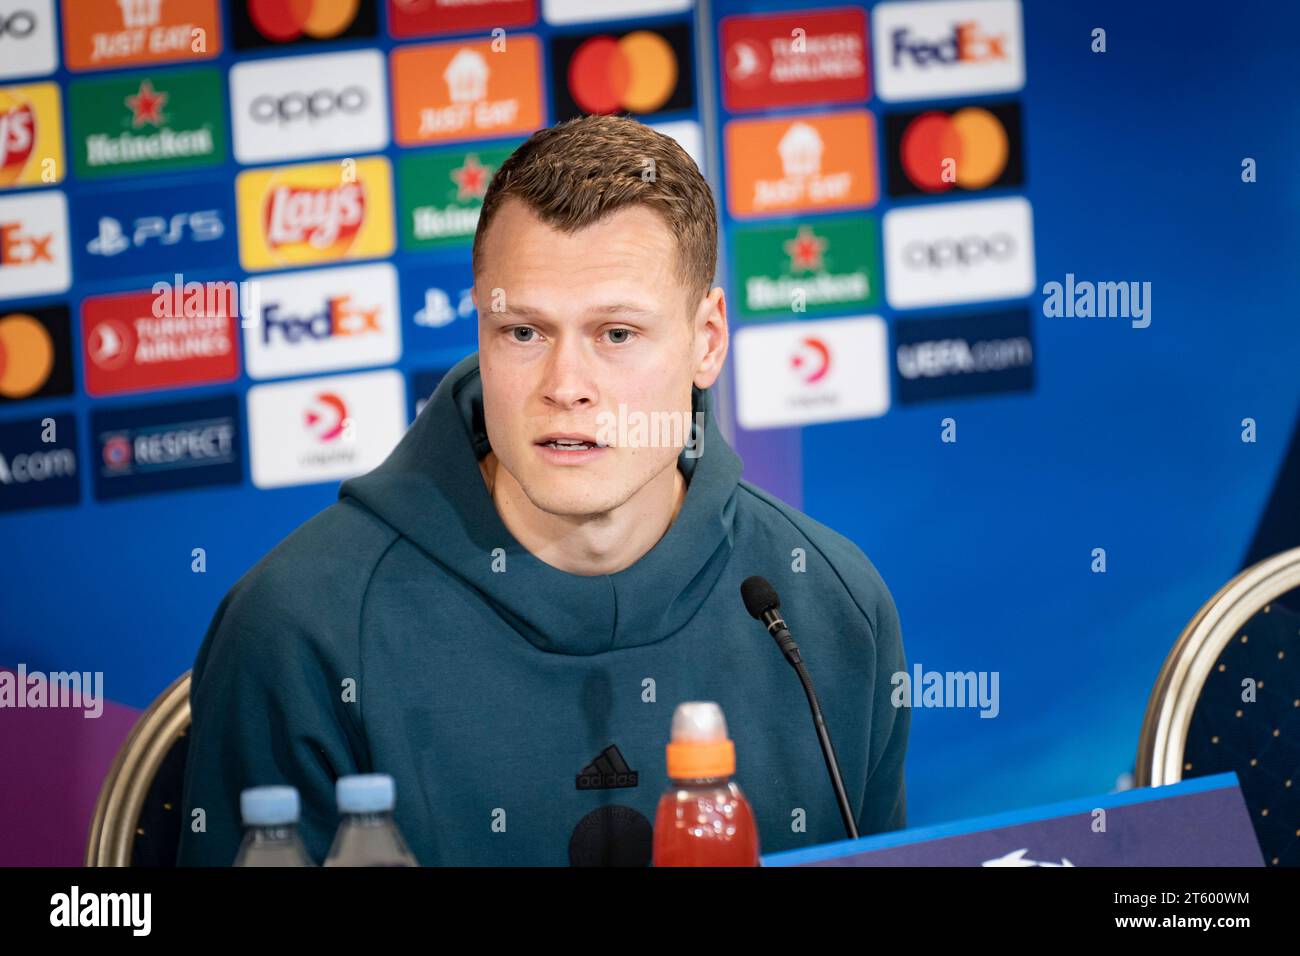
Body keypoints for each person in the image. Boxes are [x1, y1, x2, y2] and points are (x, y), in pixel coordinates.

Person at [177, 114, 909, 866]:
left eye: (616, 334)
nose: (565, 388)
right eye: (523, 333)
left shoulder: (828, 604)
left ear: (708, 341)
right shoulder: (299, 627)